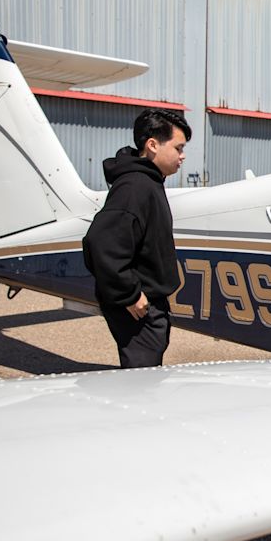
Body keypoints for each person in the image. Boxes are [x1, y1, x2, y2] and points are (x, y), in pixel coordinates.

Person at [82, 108, 190, 368]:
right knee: (141, 384)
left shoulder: (149, 182)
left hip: (148, 305)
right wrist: (129, 295)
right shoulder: (135, 187)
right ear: (152, 145)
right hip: (140, 308)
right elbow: (100, 242)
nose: (182, 156)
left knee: (145, 376)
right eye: (178, 148)